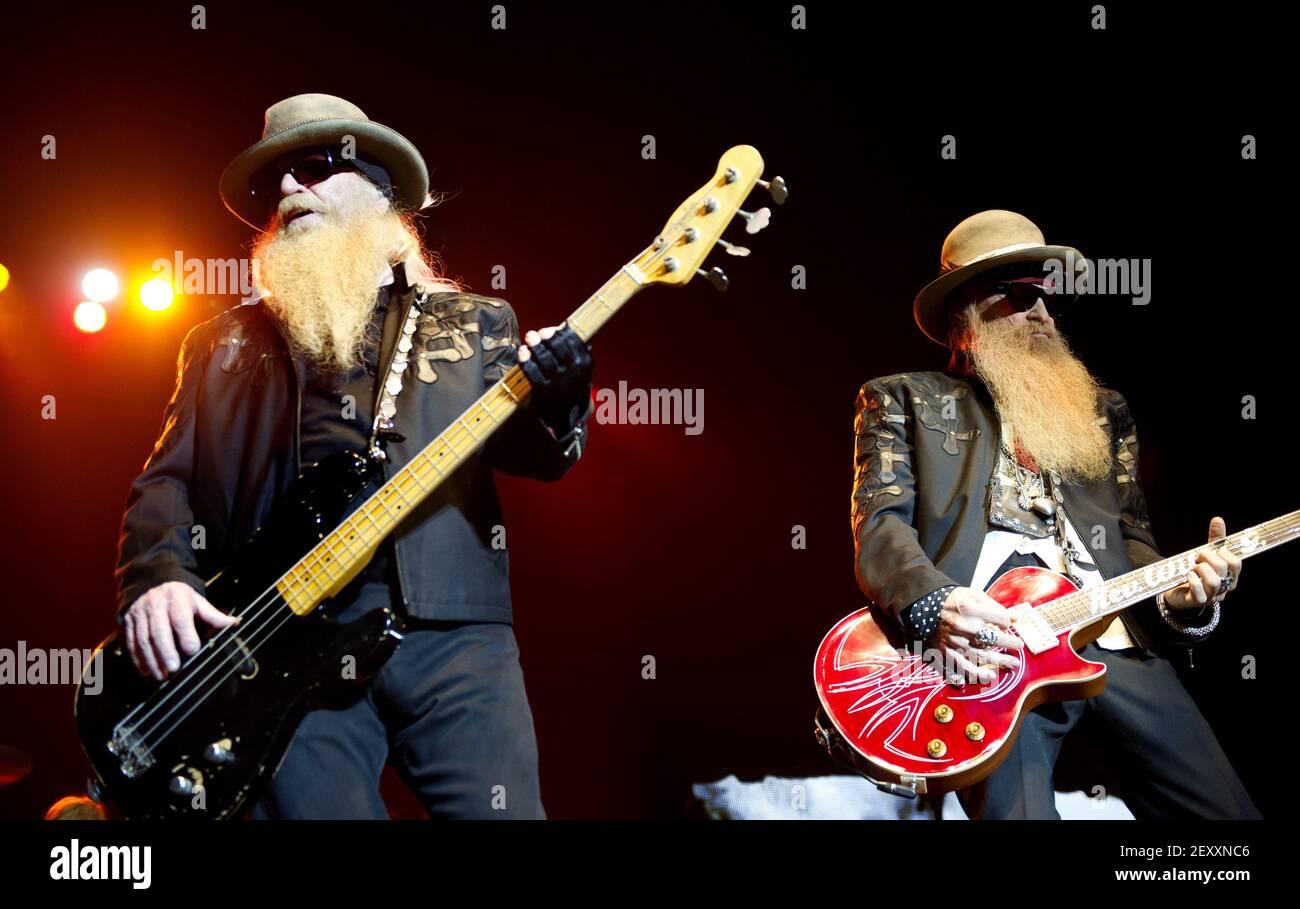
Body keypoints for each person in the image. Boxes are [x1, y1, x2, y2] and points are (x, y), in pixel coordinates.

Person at [114, 94, 595, 818]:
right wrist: (157, 577)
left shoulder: (474, 321)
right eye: (275, 181)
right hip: (286, 640)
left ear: (377, 190)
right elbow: (168, 480)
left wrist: (561, 390)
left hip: (453, 637)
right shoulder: (222, 344)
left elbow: (540, 453)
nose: (285, 191)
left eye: (310, 168)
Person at [850, 209, 1260, 819]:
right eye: (1016, 295)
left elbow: (1132, 540)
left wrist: (1184, 601)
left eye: (1043, 294)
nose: (1040, 311)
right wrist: (938, 605)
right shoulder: (904, 399)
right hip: (990, 656)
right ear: (965, 316)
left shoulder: (1103, 410)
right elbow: (880, 527)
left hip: (1115, 640)